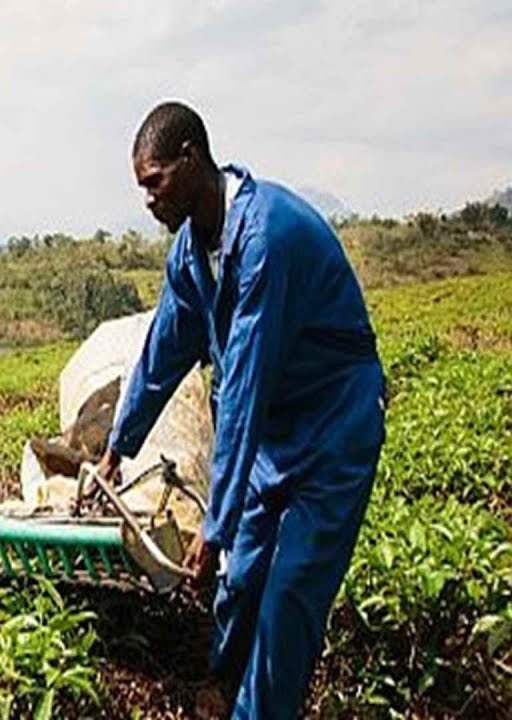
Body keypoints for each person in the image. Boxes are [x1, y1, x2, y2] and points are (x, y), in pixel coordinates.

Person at [96, 102, 386, 718]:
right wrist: (119, 445)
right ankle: (226, 684)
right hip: (275, 436)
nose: (148, 201)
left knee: (289, 597)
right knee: (241, 574)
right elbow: (164, 353)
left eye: (155, 182)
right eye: (141, 188)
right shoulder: (191, 252)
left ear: (190, 159)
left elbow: (246, 385)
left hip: (334, 427)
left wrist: (214, 521)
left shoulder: (266, 237)